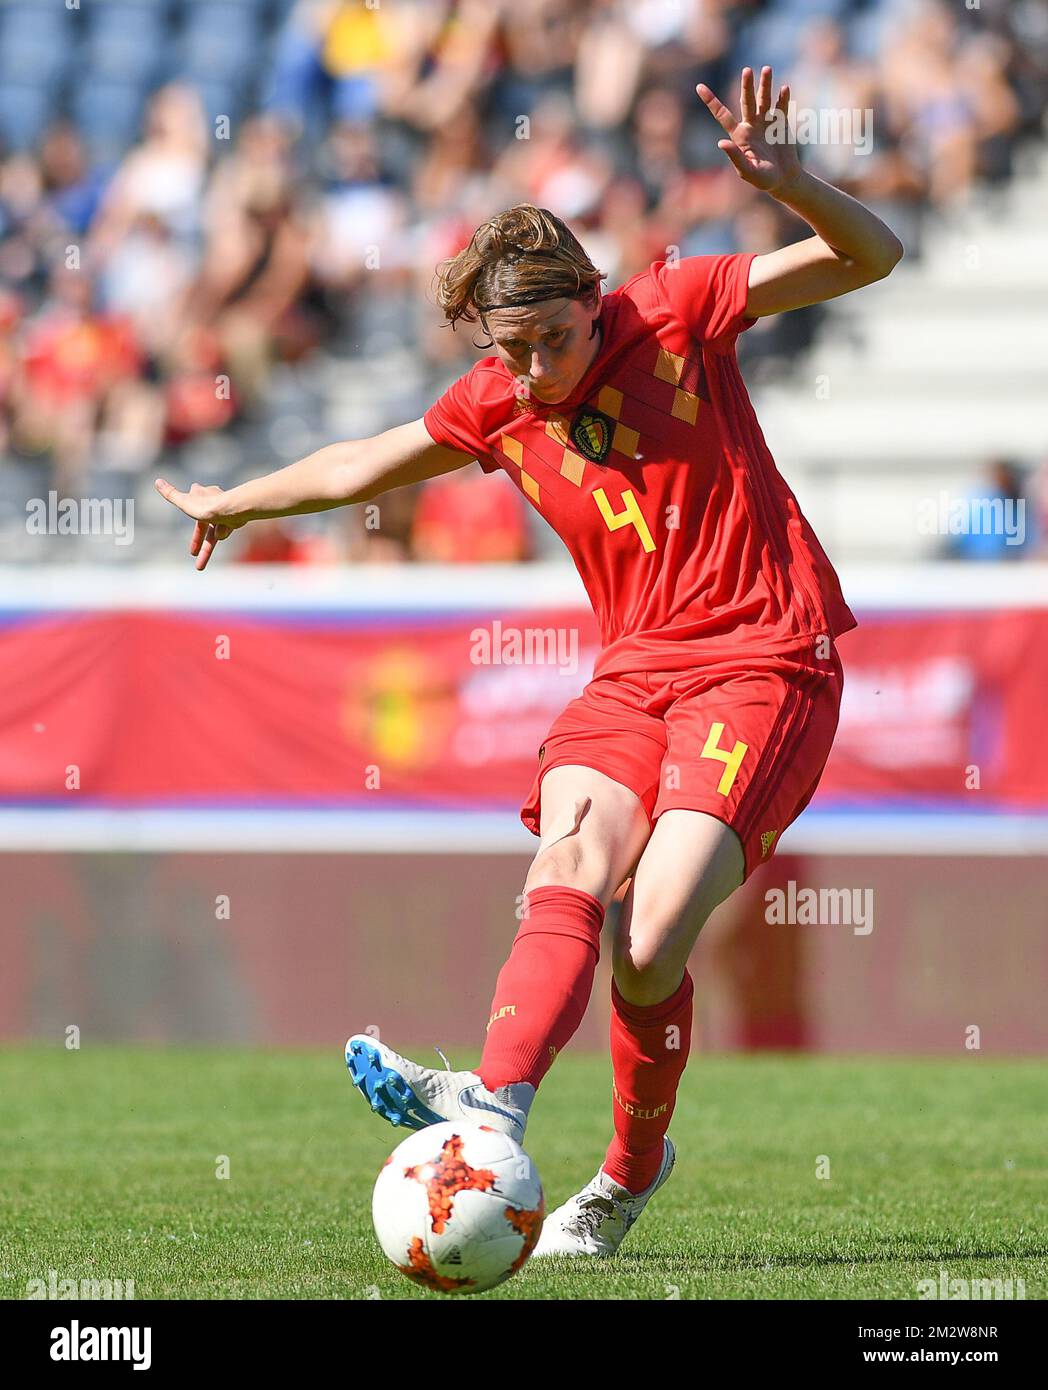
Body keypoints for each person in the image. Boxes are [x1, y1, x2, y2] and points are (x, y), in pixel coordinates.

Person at [156, 69, 902, 1259]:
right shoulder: (499, 400)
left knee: (649, 942)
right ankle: (493, 1107)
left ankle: (625, 1173)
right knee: (570, 850)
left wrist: (791, 183)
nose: (539, 367)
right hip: (631, 676)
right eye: (514, 347)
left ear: (598, 303)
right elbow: (366, 462)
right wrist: (239, 501)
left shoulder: (680, 309)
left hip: (765, 661)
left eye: (555, 337)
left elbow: (872, 257)